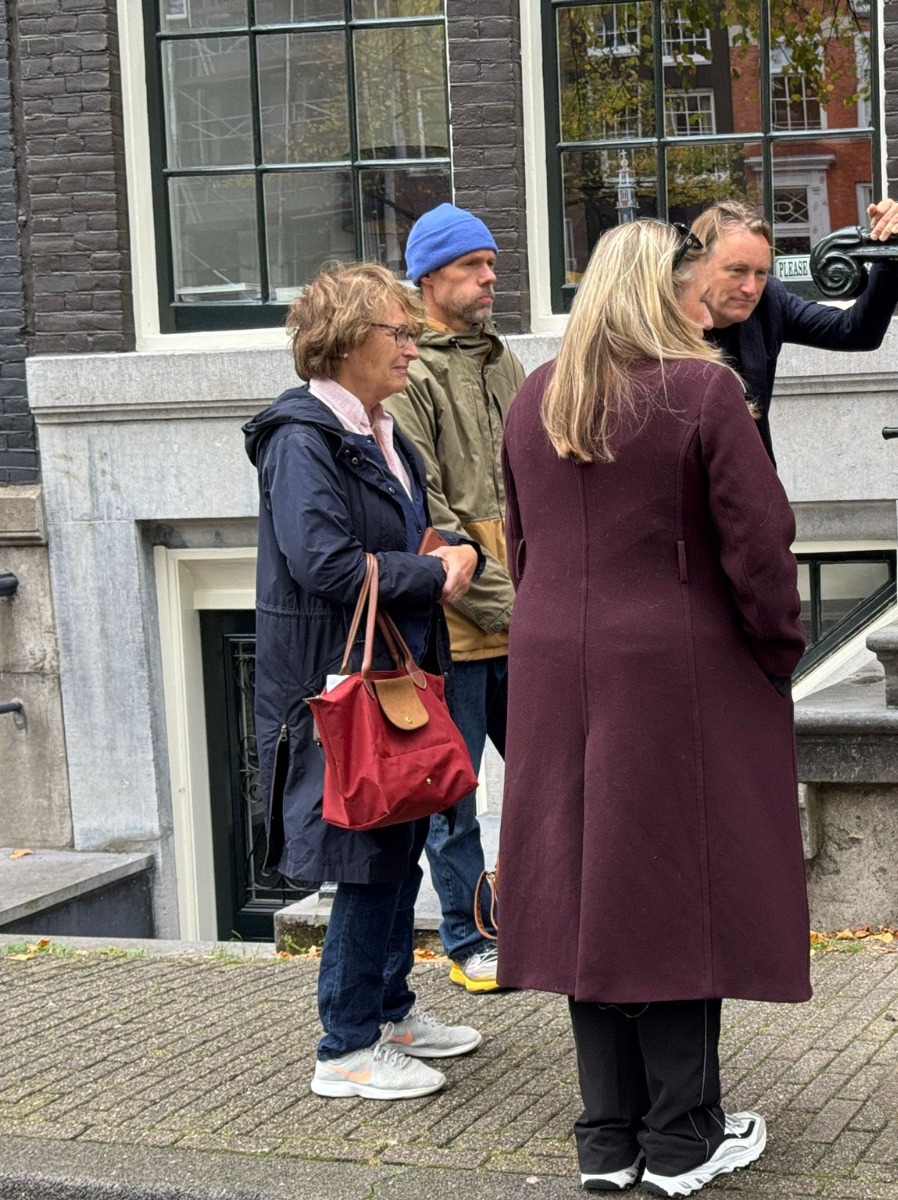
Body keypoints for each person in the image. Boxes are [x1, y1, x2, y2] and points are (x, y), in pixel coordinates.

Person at [495, 220, 809, 1196]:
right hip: (674, 674)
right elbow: (759, 548)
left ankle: (607, 1137)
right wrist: (776, 650)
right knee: (677, 890)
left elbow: (518, 543)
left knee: (591, 894)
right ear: (660, 292)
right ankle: (681, 1139)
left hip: (553, 668)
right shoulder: (701, 391)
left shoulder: (537, 397)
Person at [244, 262, 485, 1101]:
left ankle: (389, 1013)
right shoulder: (302, 437)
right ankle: (345, 1048)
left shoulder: (379, 429)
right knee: (366, 858)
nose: (413, 349)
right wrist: (435, 576)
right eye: (400, 332)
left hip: (393, 676)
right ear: (346, 338)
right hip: (339, 687)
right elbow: (325, 564)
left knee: (400, 845)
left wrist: (459, 552)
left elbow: (417, 528)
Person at [385, 202, 527, 994]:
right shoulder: (412, 372)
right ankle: (470, 941)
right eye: (474, 266)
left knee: (551, 777)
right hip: (457, 629)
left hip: (521, 617)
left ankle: (537, 914)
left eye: (492, 264)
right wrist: (519, 606)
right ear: (431, 275)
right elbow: (430, 518)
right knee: (455, 797)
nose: (489, 277)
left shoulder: (502, 362)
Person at [692, 196, 898, 460]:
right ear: (699, 266)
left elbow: (857, 331)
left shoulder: (769, 300)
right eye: (737, 270)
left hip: (747, 483)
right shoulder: (661, 318)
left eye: (761, 272)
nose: (751, 288)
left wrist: (887, 250)